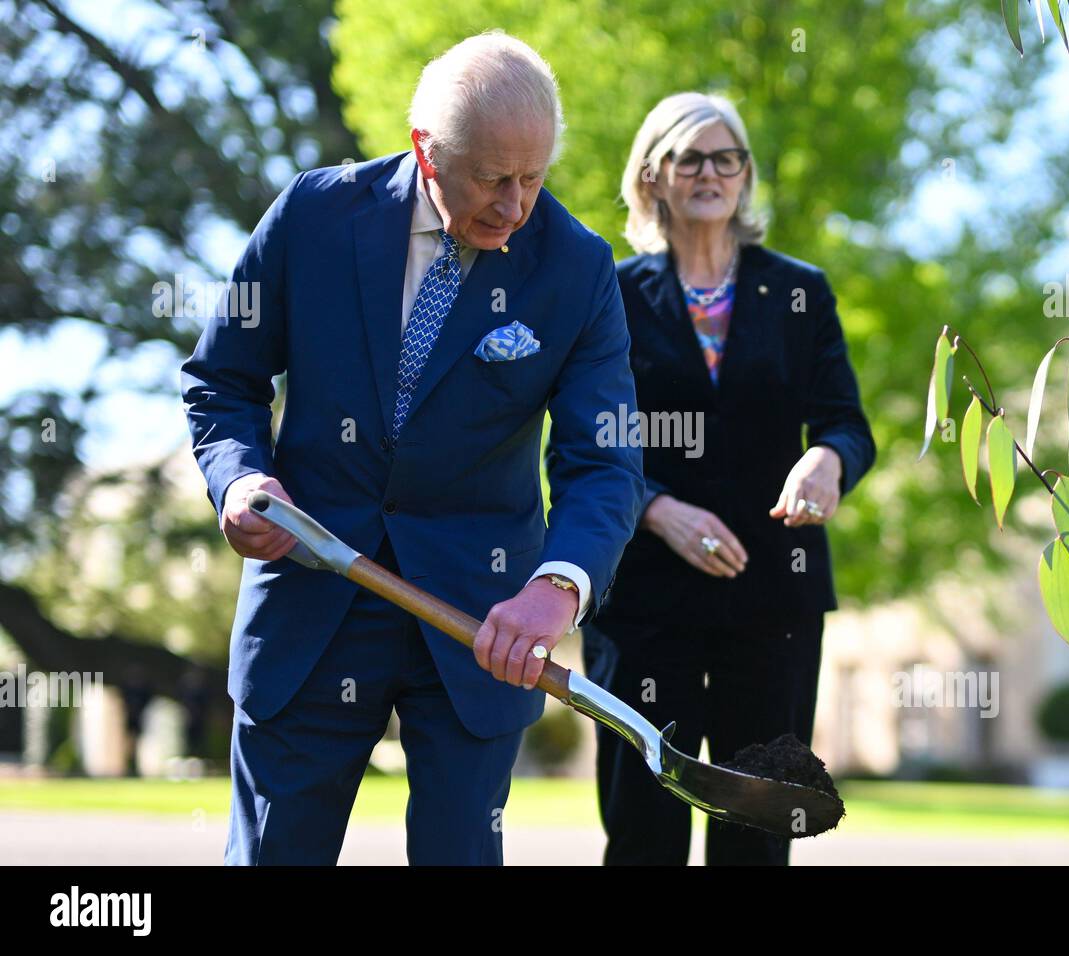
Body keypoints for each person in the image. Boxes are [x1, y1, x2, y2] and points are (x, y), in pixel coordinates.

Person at [180, 32, 643, 865]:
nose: (514, 206)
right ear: (426, 147)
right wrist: (240, 479)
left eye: (533, 178)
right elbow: (223, 382)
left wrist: (556, 588)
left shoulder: (577, 268)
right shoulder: (312, 216)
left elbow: (603, 461)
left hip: (482, 628)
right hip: (308, 607)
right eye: (493, 179)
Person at [580, 92, 875, 865]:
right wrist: (656, 507)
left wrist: (827, 459)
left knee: (758, 829)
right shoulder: (606, 292)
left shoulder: (800, 291)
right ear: (653, 177)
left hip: (773, 600)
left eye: (727, 157)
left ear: (745, 176)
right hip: (643, 603)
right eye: (689, 157)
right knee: (643, 829)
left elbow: (847, 422)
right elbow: (581, 437)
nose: (710, 172)